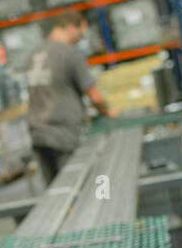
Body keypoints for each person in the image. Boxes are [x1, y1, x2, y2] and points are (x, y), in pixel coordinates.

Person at [22, 10, 114, 184]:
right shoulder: (70, 53)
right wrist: (108, 112)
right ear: (72, 27)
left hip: (38, 134)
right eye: (81, 33)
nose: (80, 39)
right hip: (63, 135)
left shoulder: (33, 54)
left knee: (55, 193)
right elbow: (95, 97)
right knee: (72, 188)